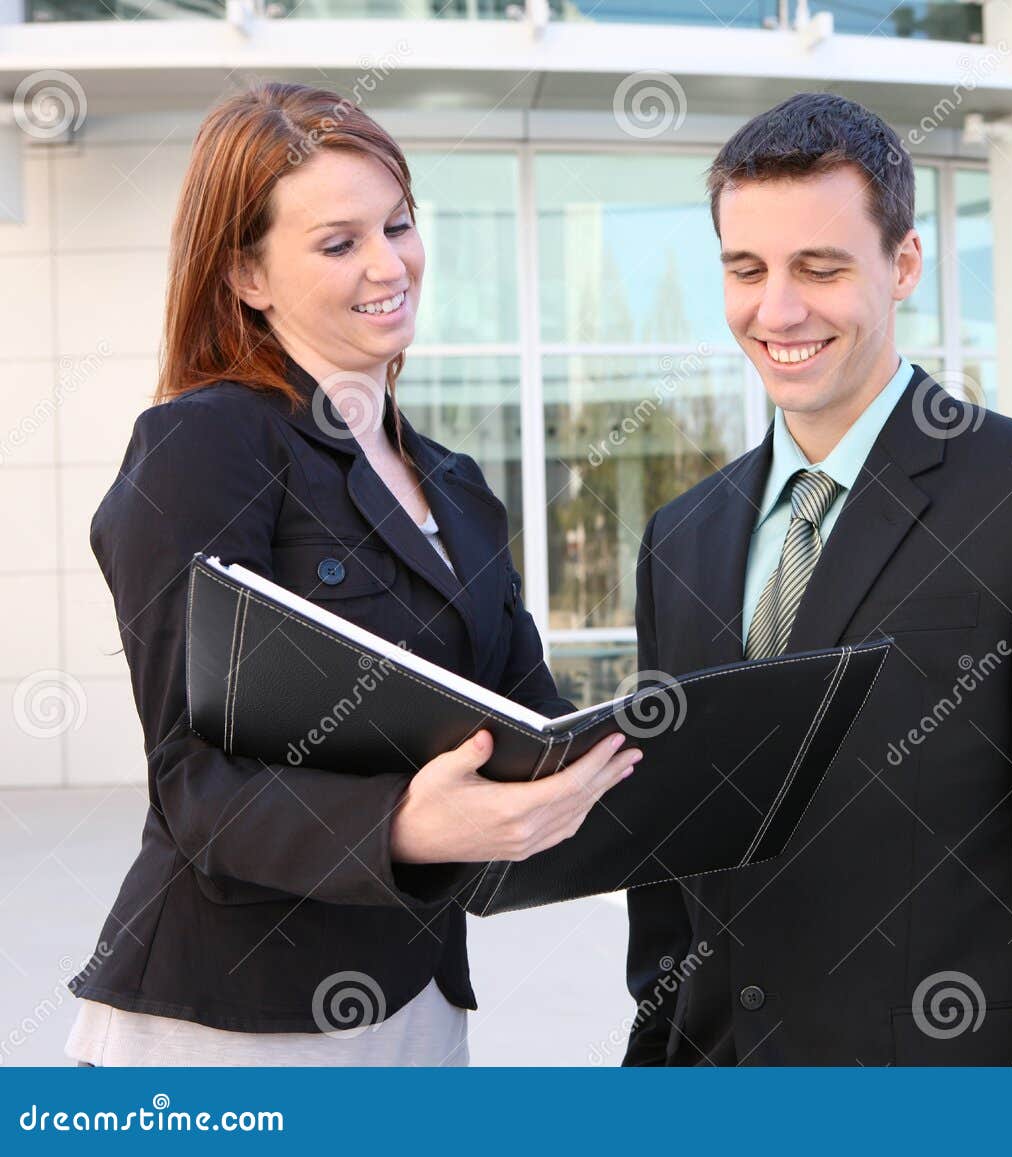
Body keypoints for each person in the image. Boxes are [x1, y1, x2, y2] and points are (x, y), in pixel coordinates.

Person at [64, 82, 640, 1067]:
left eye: (399, 224)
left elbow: (526, 726)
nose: (388, 265)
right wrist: (406, 823)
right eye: (339, 244)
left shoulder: (455, 486)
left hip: (418, 1005)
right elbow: (191, 783)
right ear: (248, 275)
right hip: (230, 1017)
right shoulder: (205, 447)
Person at [623, 92, 1012, 1065]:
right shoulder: (679, 539)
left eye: (820, 267)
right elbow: (671, 885)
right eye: (746, 270)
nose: (779, 310)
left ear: (904, 265)